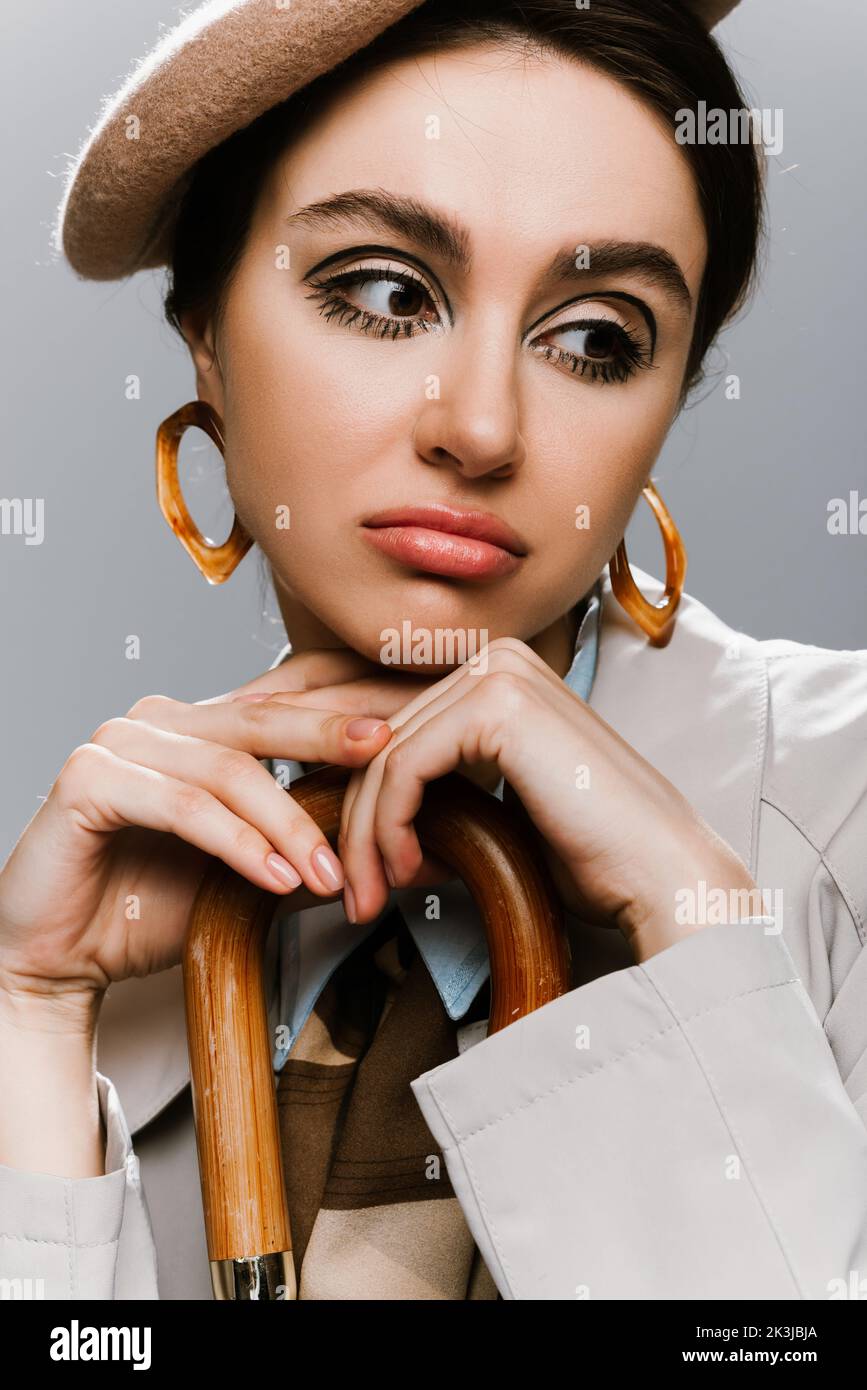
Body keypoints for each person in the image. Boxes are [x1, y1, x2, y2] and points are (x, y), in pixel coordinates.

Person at [1, 0, 865, 1300]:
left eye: (596, 338)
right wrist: (28, 1014)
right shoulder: (99, 907)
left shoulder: (840, 817)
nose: (480, 424)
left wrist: (696, 931)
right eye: (386, 294)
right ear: (205, 337)